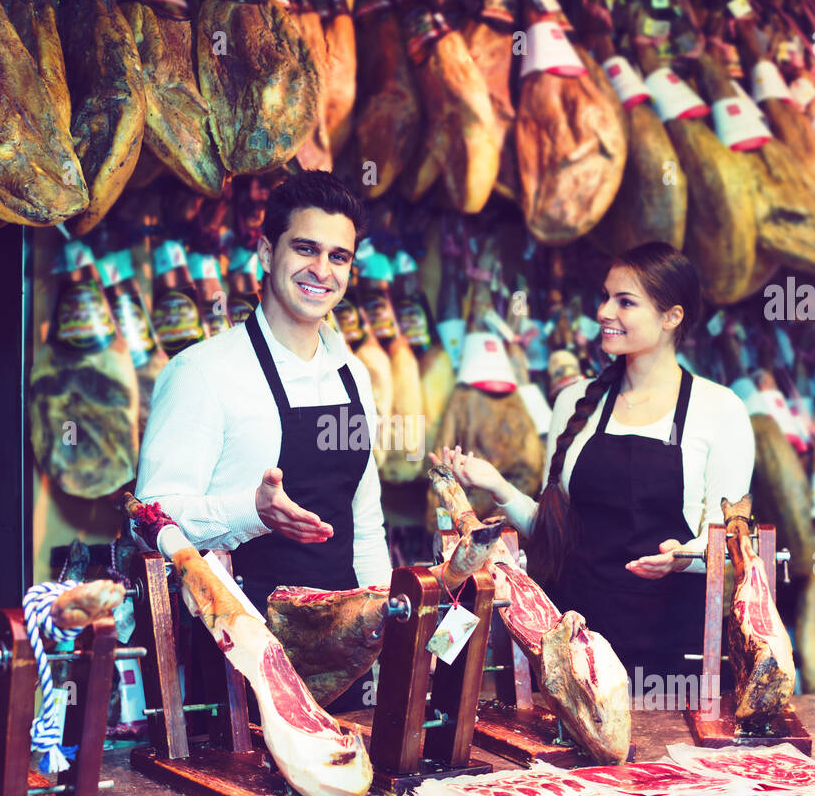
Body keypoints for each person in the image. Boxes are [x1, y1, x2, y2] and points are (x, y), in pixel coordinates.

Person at [432, 242, 754, 681]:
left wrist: (683, 556)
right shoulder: (575, 402)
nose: (605, 311)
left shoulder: (719, 410)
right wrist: (498, 487)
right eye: (605, 297)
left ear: (671, 317)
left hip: (669, 650)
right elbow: (552, 535)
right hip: (574, 637)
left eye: (625, 302)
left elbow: (728, 543)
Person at [133, 171, 391, 711]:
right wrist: (251, 511)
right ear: (267, 251)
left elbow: (364, 525)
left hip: (343, 659)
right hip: (238, 659)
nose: (322, 271)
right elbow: (148, 519)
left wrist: (389, 629)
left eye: (339, 257)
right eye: (305, 249)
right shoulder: (203, 372)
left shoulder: (354, 374)